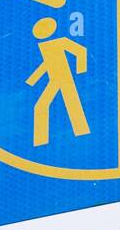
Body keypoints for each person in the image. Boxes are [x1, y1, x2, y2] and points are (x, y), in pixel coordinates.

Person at [25, 18, 90, 147]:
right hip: (56, 78)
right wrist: (33, 79)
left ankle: (42, 138)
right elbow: (46, 64)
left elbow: (80, 51)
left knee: (47, 105)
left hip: (64, 77)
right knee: (66, 104)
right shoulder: (45, 45)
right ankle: (78, 129)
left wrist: (81, 69)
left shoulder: (61, 42)